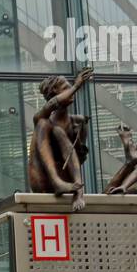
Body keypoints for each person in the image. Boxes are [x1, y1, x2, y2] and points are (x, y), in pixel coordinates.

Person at [27, 67, 93, 211]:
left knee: (59, 132)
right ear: (54, 92)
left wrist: (78, 192)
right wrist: (76, 86)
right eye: (65, 87)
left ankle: (78, 193)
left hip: (68, 183)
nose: (70, 88)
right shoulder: (41, 117)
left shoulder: (78, 122)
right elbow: (52, 104)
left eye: (70, 85)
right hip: (43, 180)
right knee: (45, 124)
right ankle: (56, 181)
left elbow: (77, 160)